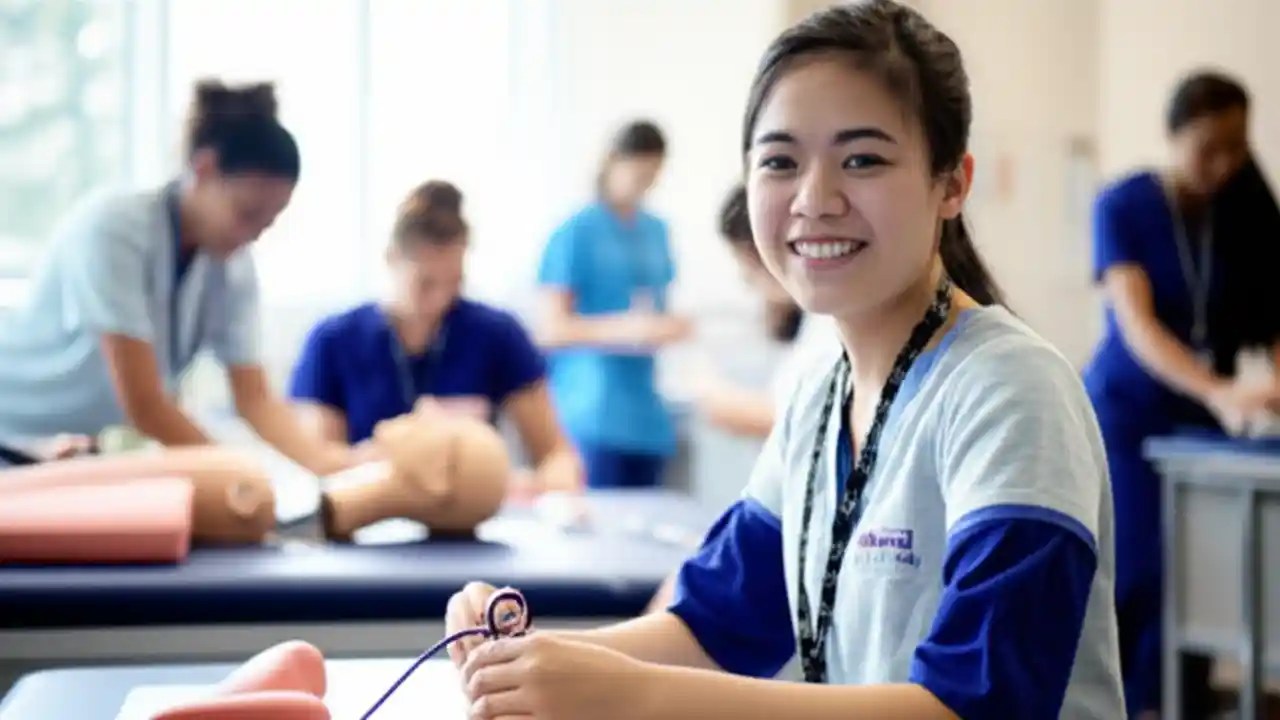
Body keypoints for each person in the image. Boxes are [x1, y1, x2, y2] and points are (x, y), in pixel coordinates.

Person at [446, 3, 1125, 719]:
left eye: (862, 159)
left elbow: (980, 706)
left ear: (952, 183)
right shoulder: (817, 401)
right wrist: (529, 660)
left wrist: (629, 693)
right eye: (779, 162)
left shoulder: (1010, 390)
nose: (814, 199)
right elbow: (715, 625)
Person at [0, 80, 353, 475]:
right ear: (203, 169)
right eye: (247, 213)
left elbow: (254, 400)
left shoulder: (232, 265)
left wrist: (329, 466)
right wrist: (240, 474)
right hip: (10, 428)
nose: (254, 234)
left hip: (59, 448)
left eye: (269, 223)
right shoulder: (113, 228)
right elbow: (146, 405)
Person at [1083, 71, 1280, 719]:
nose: (1222, 165)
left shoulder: (1245, 212)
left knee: (1206, 572)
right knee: (1143, 570)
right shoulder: (1123, 205)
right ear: (1173, 137)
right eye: (1207, 148)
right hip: (1128, 415)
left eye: (1236, 147)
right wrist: (1221, 391)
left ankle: (1182, 705)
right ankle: (1130, 708)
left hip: (1200, 421)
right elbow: (1137, 327)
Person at [289, 180, 582, 494]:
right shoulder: (333, 340)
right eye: (425, 284)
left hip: (472, 517)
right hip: (371, 509)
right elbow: (315, 461)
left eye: (454, 282)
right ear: (391, 258)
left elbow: (557, 455)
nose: (440, 299)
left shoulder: (497, 334)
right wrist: (390, 459)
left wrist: (538, 484)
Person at [536, 120, 692, 489]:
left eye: (652, 176)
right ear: (612, 162)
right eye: (638, 174)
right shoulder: (575, 231)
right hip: (592, 410)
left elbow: (659, 306)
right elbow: (551, 329)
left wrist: (668, 327)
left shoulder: (656, 231)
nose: (644, 186)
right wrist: (623, 329)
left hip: (647, 415)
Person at [693, 183, 839, 438]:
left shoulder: (831, 323)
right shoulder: (815, 318)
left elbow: (791, 422)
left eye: (745, 263)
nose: (746, 279)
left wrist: (711, 393)